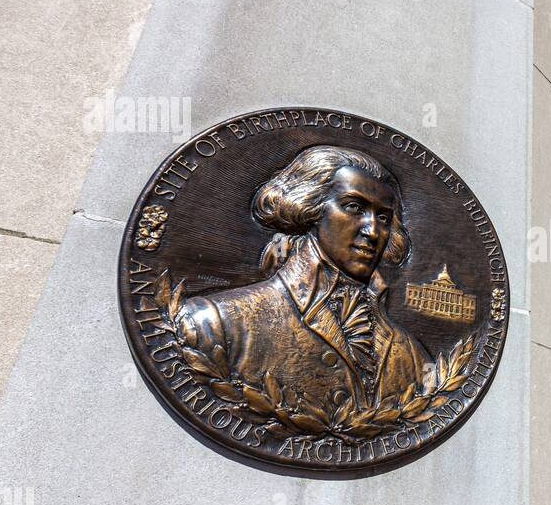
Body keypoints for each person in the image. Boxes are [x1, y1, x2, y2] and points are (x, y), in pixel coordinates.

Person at [177, 145, 431, 416]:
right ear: (310, 207)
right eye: (354, 207)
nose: (373, 231)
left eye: (383, 217)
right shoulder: (215, 322)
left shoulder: (412, 357)